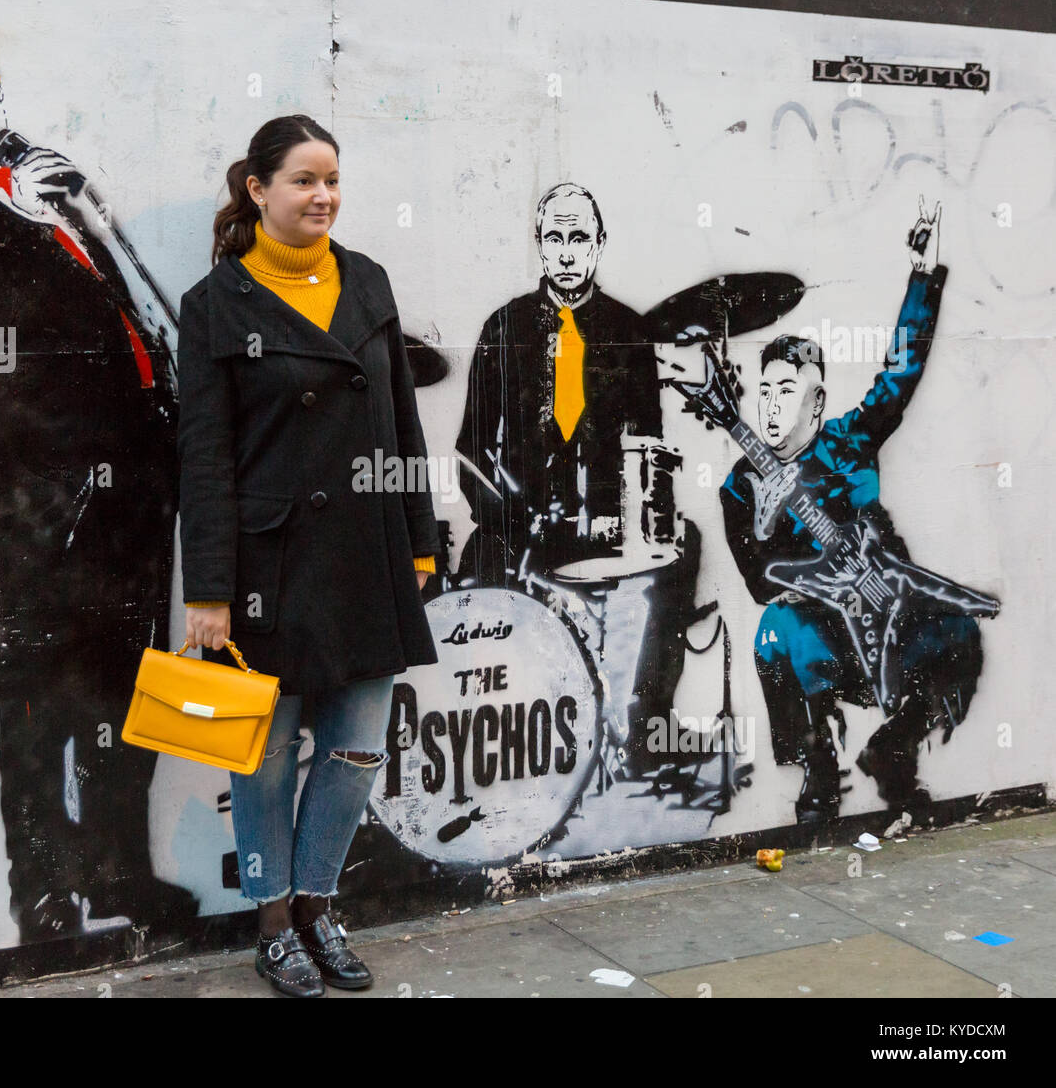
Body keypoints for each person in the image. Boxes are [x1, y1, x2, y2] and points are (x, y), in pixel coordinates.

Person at [0, 20, 195, 941]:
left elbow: (127, 310)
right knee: (39, 692)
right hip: (44, 498)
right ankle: (43, 892)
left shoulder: (37, 185)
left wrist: (65, 209)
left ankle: (119, 870)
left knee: (130, 679)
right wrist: (25, 213)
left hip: (136, 480)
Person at [178, 114, 441, 997]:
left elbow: (402, 421)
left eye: (332, 179)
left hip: (367, 551)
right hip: (268, 566)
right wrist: (208, 587)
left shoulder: (366, 280)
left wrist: (420, 539)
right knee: (263, 751)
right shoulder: (216, 305)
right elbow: (204, 458)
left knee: (358, 748)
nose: (323, 195)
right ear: (258, 190)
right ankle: (273, 920)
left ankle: (320, 908)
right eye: (303, 180)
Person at [719, 200, 986, 824]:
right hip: (828, 641)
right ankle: (818, 771)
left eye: (788, 391)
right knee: (774, 635)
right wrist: (782, 526)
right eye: (765, 391)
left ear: (817, 406)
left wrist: (921, 276)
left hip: (894, 619)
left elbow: (901, 373)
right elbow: (761, 585)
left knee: (962, 634)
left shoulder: (850, 439)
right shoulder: (739, 484)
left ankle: (894, 749)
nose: (773, 405)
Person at [454, 183, 702, 779]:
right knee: (477, 563)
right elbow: (469, 452)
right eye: (556, 239)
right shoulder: (503, 327)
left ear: (599, 245)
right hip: (522, 523)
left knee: (684, 544)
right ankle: (504, 731)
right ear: (539, 246)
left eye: (580, 239)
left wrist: (631, 513)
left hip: (607, 523)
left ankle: (645, 724)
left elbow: (646, 441)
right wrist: (512, 517)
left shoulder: (627, 330)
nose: (567, 253)